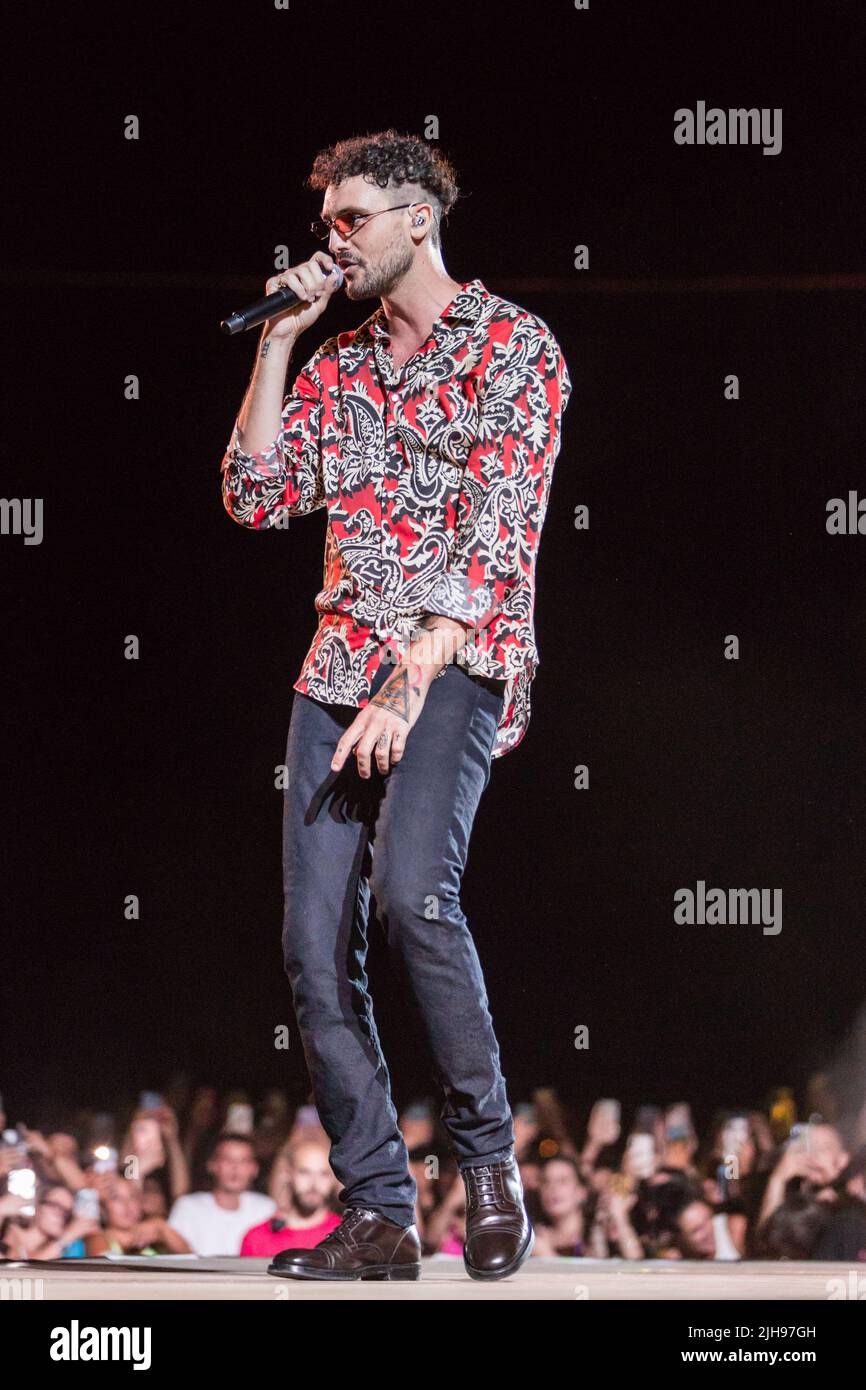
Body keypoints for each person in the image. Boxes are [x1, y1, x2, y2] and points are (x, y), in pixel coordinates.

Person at [219, 129, 571, 1283]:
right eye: (326, 220)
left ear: (418, 218)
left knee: (415, 893)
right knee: (312, 947)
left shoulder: (513, 347)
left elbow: (497, 539)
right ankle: (378, 1207)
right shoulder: (341, 363)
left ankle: (487, 1167)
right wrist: (278, 343)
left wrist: (411, 680)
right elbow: (254, 495)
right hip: (337, 666)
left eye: (350, 217)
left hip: (456, 655)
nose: (333, 236)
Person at [167, 1134, 275, 1255]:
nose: (235, 1168)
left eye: (243, 1161)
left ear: (254, 1169)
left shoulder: (266, 1208)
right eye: (227, 1160)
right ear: (212, 1165)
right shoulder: (188, 1206)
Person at [240, 1139, 341, 1257]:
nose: (314, 1184)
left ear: (333, 1179)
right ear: (288, 1175)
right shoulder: (258, 1238)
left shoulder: (347, 1237)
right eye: (304, 1172)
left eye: (323, 1174)